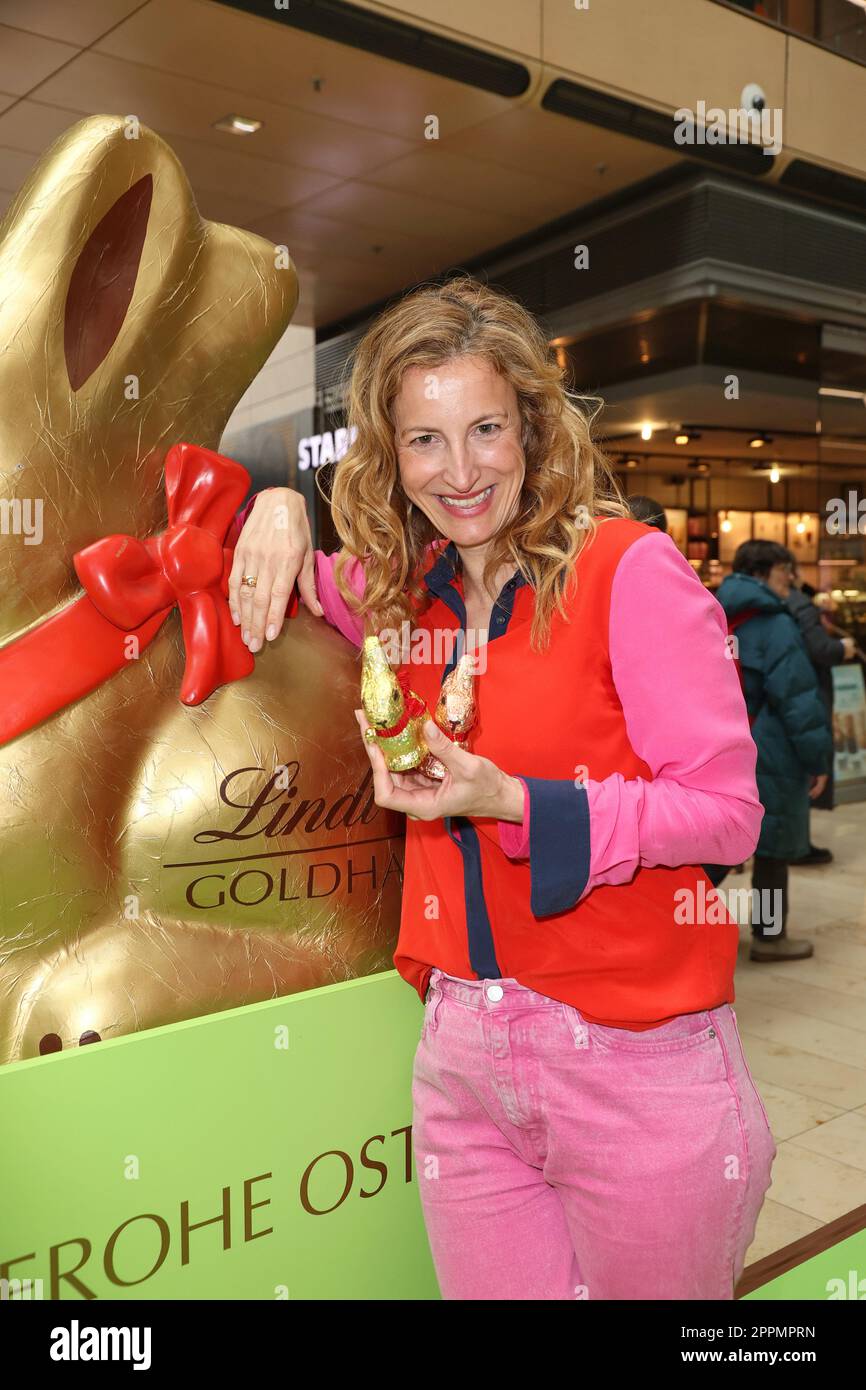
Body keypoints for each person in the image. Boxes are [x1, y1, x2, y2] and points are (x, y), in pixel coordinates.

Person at [226, 275, 774, 1300]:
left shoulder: (628, 570)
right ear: (390, 456)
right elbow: (277, 573)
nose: (460, 469)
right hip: (463, 1059)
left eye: (485, 427)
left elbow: (728, 814)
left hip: (634, 1062)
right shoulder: (399, 590)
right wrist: (273, 503)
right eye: (423, 440)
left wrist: (513, 800)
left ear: (531, 426)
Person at [710, 542, 832, 964]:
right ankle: (770, 937)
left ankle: (667, 923)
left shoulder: (713, 610)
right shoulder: (777, 624)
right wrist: (818, 760)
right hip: (769, 748)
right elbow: (798, 699)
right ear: (773, 570)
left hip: (720, 743)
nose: (791, 581)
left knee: (717, 843)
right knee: (772, 845)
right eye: (787, 571)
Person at [787, 567, 856, 833]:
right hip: (803, 689)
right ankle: (794, 845)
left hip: (777, 698)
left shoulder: (769, 605)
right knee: (804, 762)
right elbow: (820, 648)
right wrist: (841, 648)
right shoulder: (799, 605)